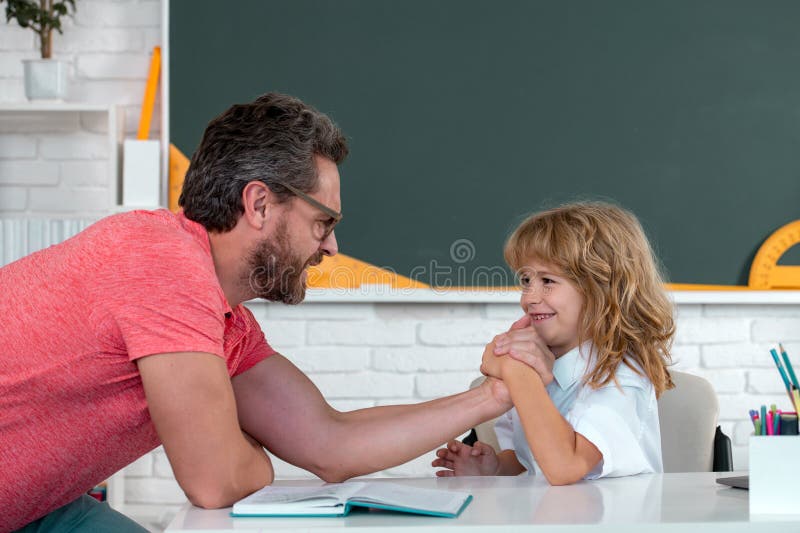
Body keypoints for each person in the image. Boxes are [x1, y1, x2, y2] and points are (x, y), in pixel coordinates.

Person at [0, 93, 530, 532]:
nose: (332, 247)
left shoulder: (225, 320)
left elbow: (330, 443)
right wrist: (253, 457)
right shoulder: (161, 263)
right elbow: (216, 481)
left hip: (40, 507)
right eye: (323, 223)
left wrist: (491, 397)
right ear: (258, 204)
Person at [432, 202, 675, 485]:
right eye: (526, 280)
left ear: (600, 290)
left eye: (547, 280)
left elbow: (566, 466)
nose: (529, 298)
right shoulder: (541, 366)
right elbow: (531, 458)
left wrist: (515, 371)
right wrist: (496, 467)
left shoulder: (622, 378)